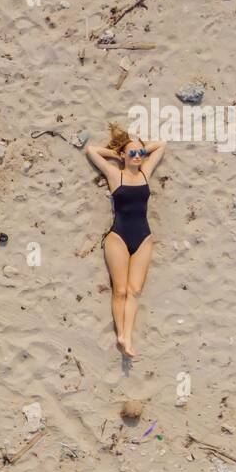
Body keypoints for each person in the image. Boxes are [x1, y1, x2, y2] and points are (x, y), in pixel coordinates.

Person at [84, 126, 166, 358]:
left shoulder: (145, 173)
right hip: (118, 236)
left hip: (144, 237)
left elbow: (162, 145)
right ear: (123, 157)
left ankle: (126, 336)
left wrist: (138, 147)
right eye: (132, 154)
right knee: (119, 290)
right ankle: (121, 332)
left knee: (135, 290)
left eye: (140, 154)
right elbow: (92, 151)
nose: (138, 156)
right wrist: (118, 153)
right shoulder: (114, 175)